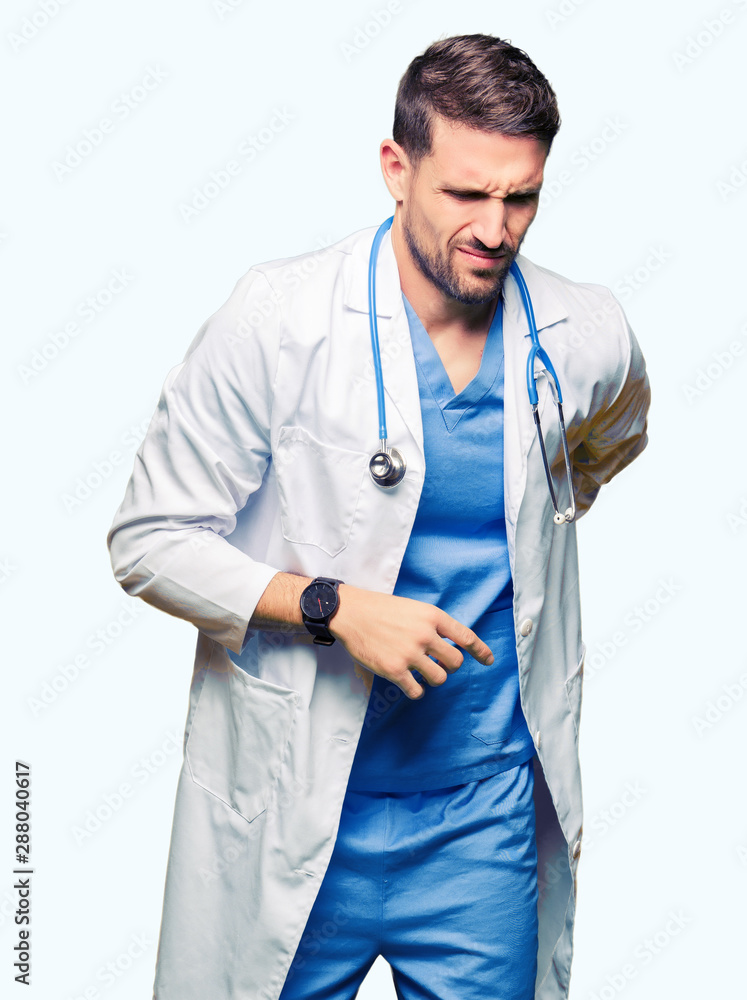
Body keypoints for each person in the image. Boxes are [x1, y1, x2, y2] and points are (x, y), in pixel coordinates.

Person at [107, 33, 650, 1000]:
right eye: (465, 194)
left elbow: (600, 449)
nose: (495, 228)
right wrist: (332, 607)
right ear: (396, 169)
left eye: (519, 197)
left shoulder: (585, 333)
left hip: (479, 828)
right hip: (300, 813)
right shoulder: (278, 319)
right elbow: (148, 541)